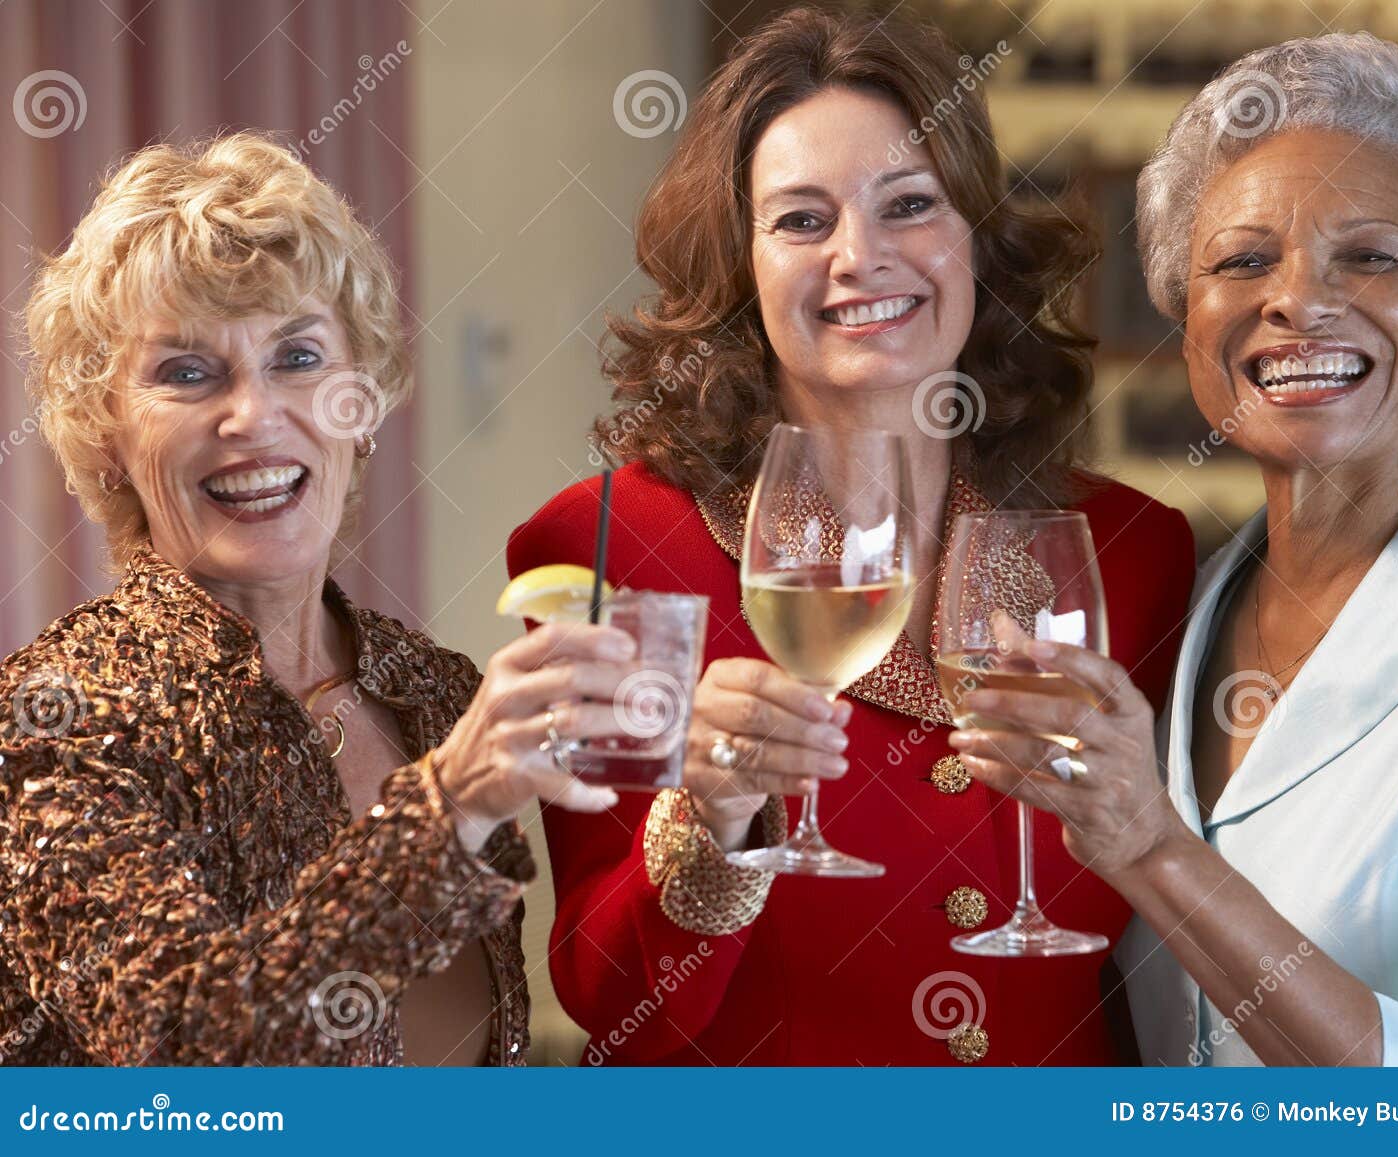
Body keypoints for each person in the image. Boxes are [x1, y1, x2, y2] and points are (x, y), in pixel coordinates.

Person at [508, 7, 1194, 1065]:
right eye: (800, 220)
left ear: (977, 237)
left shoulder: (1132, 551)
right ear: (739, 264)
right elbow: (609, 997)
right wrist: (708, 817)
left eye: (909, 204)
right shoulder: (610, 548)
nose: (860, 257)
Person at [946, 33, 1398, 1065]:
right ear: (1187, 320)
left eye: (1370, 256)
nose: (1297, 299)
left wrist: (1152, 847)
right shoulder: (1179, 603)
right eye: (1243, 261)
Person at [0, 133, 631, 1066]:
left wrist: (713, 818)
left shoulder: (437, 692)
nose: (255, 416)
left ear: (361, 405)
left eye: (297, 356)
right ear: (106, 435)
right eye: (186, 372)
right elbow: (187, 1056)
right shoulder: (56, 720)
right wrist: (447, 808)